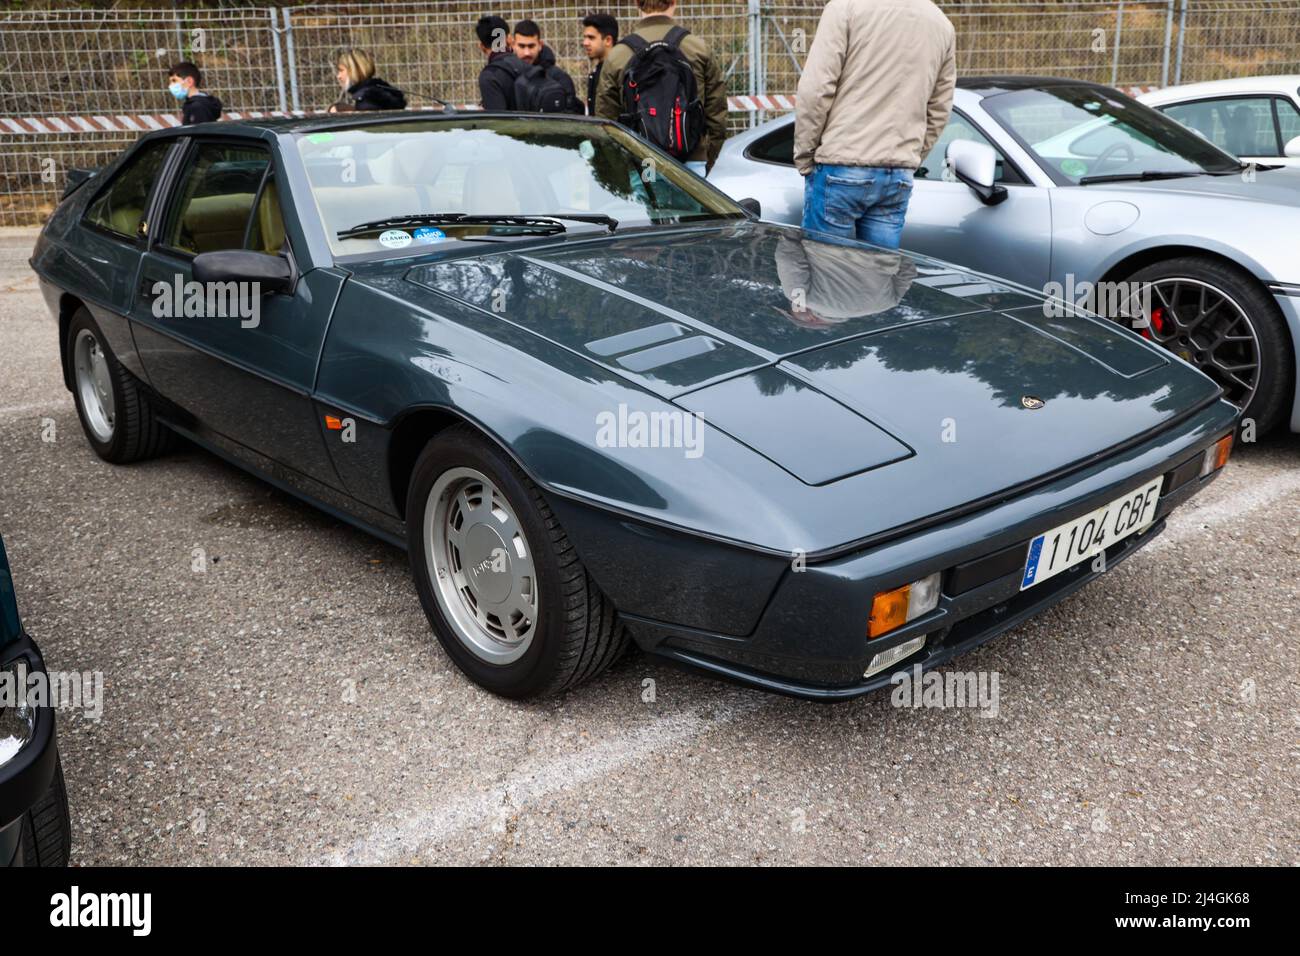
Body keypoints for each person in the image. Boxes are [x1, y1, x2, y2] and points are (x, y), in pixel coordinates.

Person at [794, 0, 956, 249]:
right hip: (898, 172)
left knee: (828, 276)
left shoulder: (845, 9)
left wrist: (805, 155)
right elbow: (939, 108)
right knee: (878, 278)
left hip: (842, 164)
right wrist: (911, 157)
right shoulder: (940, 23)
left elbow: (816, 91)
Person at [594, 0, 728, 176]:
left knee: (646, 203)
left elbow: (606, 122)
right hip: (690, 164)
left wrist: (623, 167)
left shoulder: (618, 56)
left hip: (642, 164)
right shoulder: (698, 49)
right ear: (674, 2)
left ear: (637, 3)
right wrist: (705, 158)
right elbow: (717, 116)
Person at [511, 20, 582, 114]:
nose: (526, 53)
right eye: (522, 46)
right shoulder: (508, 74)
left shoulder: (559, 77)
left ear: (540, 45)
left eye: (531, 46)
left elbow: (569, 116)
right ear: (513, 45)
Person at [329, 48, 407, 112]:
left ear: (355, 70)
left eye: (341, 70)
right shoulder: (379, 91)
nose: (338, 76)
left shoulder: (366, 98)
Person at [475, 14, 525, 111]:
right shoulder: (528, 64)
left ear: (481, 46)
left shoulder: (489, 76)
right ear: (509, 39)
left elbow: (496, 120)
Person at [580, 13, 619, 117]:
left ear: (608, 40)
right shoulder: (598, 69)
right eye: (585, 37)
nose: (585, 43)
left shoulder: (617, 71)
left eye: (591, 38)